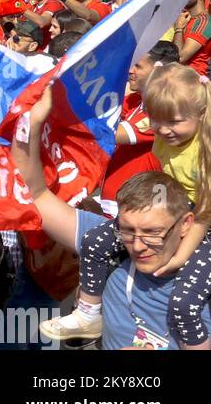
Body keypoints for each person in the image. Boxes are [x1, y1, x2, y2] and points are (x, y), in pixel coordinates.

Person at [11, 88, 211, 350]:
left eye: (153, 232)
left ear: (186, 223)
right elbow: (35, 193)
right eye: (128, 230)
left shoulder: (200, 281)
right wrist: (30, 123)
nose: (137, 246)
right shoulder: (111, 243)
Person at [97, 42, 180, 216]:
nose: (130, 70)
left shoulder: (165, 109)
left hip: (135, 208)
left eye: (138, 66)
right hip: (111, 200)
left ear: (159, 71)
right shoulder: (134, 100)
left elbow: (112, 134)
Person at [171, 0, 211, 77]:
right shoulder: (185, 18)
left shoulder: (203, 22)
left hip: (193, 82)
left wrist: (179, 29)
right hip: (179, 77)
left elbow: (180, 58)